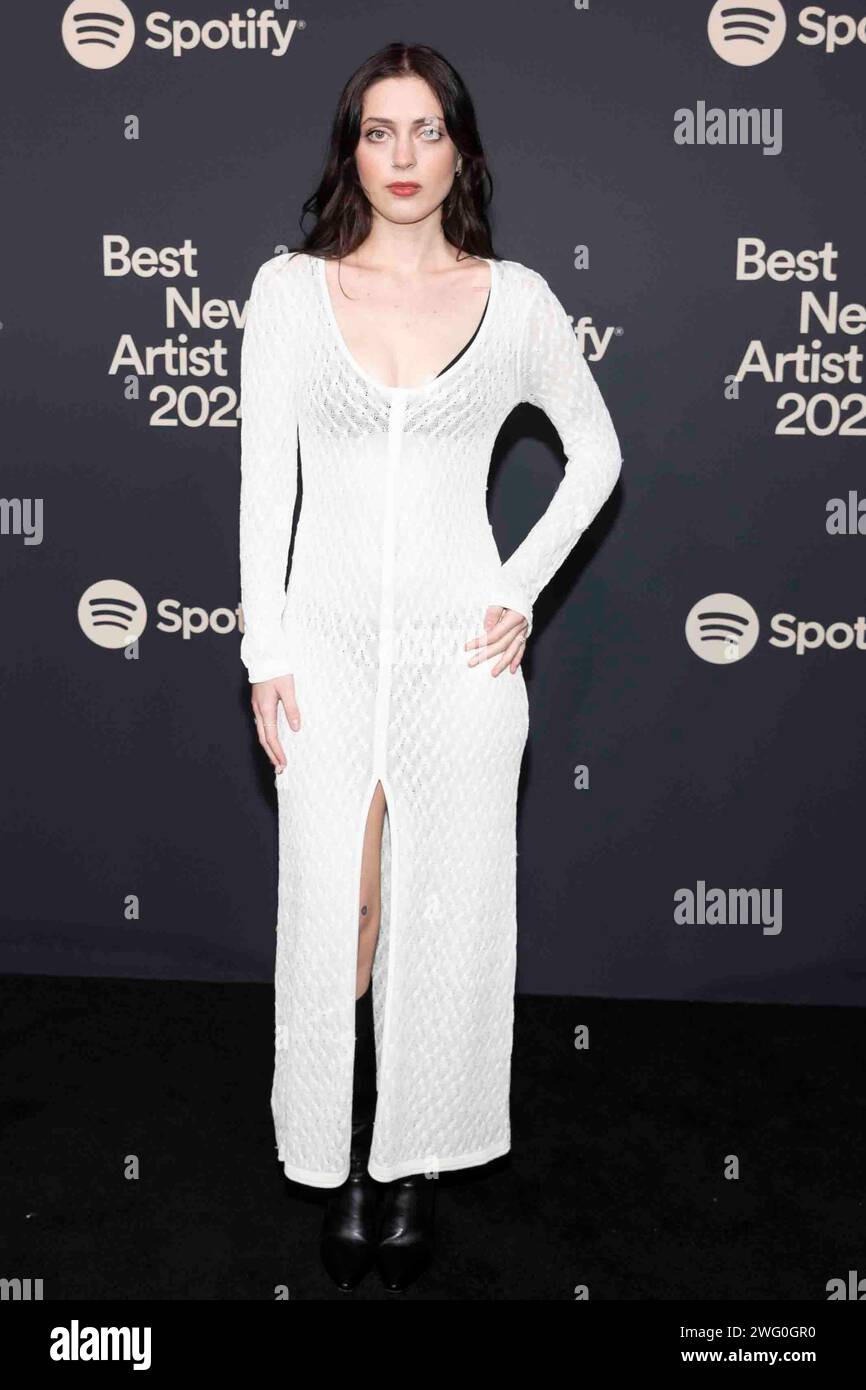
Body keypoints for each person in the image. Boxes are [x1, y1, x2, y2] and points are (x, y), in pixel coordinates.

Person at [239, 41, 623, 1294]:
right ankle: (335, 1144)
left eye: (424, 132)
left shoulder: (512, 302)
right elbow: (265, 487)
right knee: (341, 908)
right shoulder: (291, 294)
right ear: (349, 149)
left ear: (459, 147)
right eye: (375, 132)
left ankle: (407, 1163)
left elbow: (596, 454)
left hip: (461, 661)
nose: (401, 158)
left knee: (442, 913)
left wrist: (512, 588)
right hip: (329, 652)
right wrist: (266, 648)